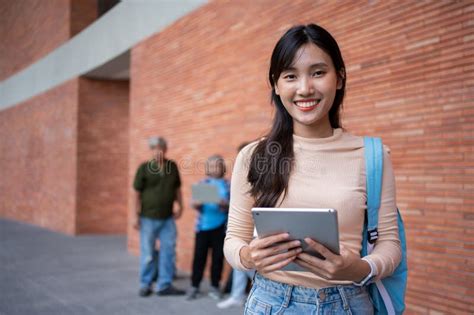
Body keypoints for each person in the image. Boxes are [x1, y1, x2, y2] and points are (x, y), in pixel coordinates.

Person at [224, 24, 401, 314]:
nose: (305, 88)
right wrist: (249, 257)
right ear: (276, 86)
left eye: (318, 72)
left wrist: (359, 268)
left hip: (349, 302)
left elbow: (390, 245)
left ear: (339, 78)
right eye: (290, 76)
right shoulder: (253, 156)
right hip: (270, 302)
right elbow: (234, 239)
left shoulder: (373, 155)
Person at [133, 136, 185, 297]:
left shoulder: (172, 166)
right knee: (148, 253)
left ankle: (164, 285)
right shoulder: (144, 168)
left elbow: (177, 189)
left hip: (168, 218)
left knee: (168, 252)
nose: (158, 151)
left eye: (161, 148)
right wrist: (136, 216)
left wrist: (181, 206)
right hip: (148, 217)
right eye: (154, 148)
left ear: (165, 149)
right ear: (151, 150)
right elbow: (137, 193)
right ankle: (145, 284)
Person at [186, 155, 230, 300]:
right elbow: (192, 204)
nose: (214, 169)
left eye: (217, 165)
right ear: (208, 169)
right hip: (203, 227)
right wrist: (197, 203)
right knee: (199, 258)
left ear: (222, 168)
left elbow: (233, 206)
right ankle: (194, 286)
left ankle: (214, 286)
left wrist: (225, 204)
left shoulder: (227, 185)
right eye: (211, 166)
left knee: (217, 258)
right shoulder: (203, 183)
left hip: (220, 228)